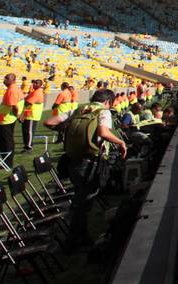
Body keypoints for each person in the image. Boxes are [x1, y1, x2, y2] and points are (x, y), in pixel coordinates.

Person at [63, 89, 127, 250]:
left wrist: (74, 136)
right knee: (83, 201)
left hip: (73, 159)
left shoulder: (79, 109)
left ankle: (75, 235)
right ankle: (76, 239)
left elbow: (50, 123)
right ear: (108, 102)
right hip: (89, 159)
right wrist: (120, 143)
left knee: (80, 198)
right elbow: (103, 132)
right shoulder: (103, 112)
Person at [0, 74, 22, 169]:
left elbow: (14, 106)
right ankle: (6, 161)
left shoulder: (12, 90)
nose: (4, 80)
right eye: (4, 78)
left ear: (12, 80)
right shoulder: (13, 88)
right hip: (6, 119)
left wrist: (17, 115)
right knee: (7, 140)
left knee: (6, 141)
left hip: (7, 119)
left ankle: (7, 162)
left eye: (6, 78)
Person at [21, 79, 45, 152]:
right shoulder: (35, 92)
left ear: (40, 85)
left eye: (36, 83)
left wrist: (23, 115)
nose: (34, 84)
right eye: (34, 83)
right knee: (26, 131)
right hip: (29, 114)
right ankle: (27, 146)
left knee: (29, 132)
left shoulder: (37, 92)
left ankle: (29, 147)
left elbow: (29, 103)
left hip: (32, 115)